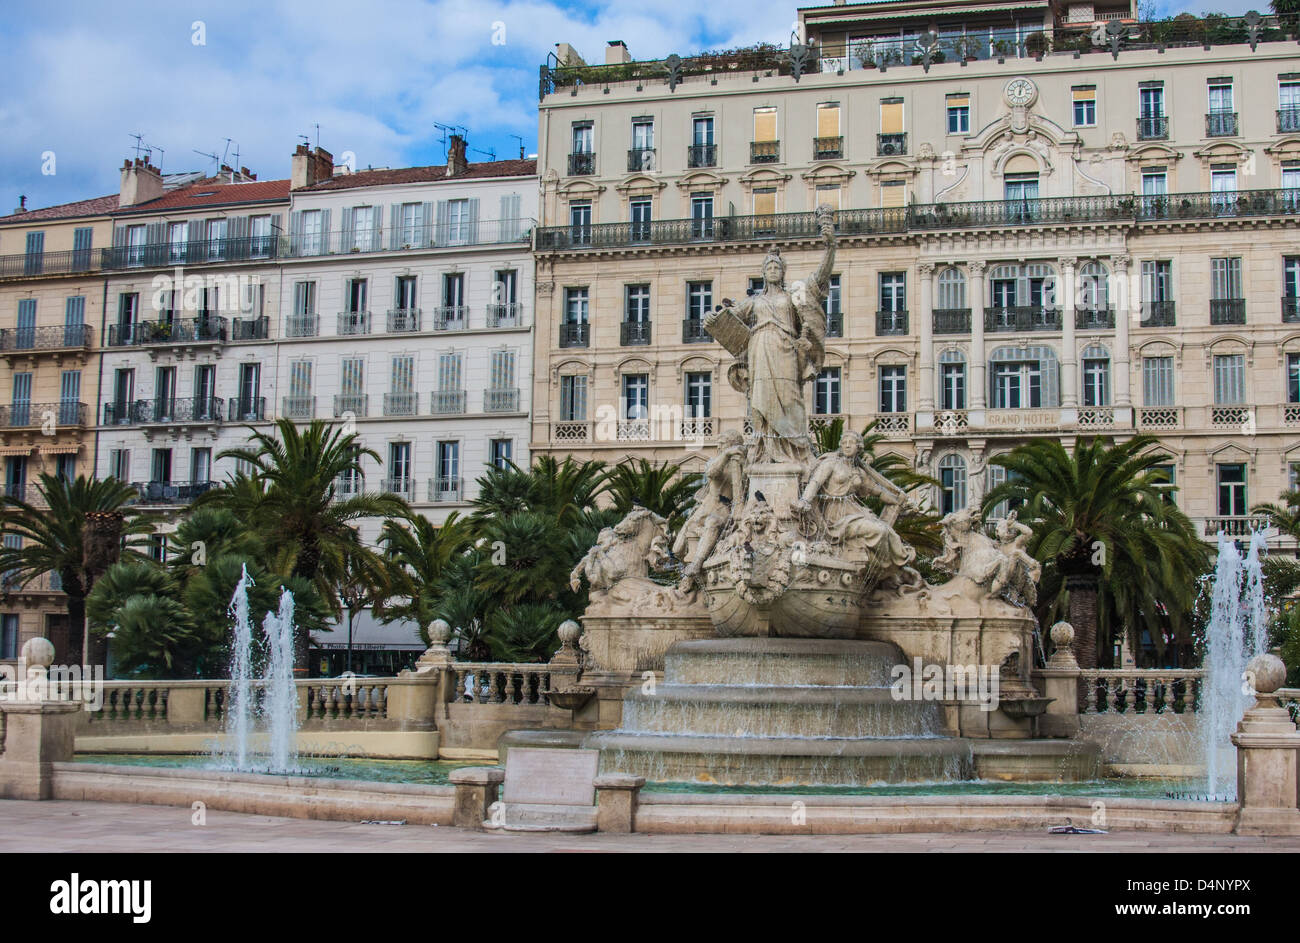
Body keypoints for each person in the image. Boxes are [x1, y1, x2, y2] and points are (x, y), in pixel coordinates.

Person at [793, 430, 913, 568]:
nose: (847, 446)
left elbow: (878, 492)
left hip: (853, 511)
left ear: (859, 447)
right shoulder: (830, 463)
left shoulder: (859, 471)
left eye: (851, 443)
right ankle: (889, 565)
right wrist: (804, 501)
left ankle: (896, 564)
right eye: (844, 443)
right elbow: (815, 483)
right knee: (879, 530)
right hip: (834, 517)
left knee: (887, 531)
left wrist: (899, 501)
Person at [674, 430, 746, 591]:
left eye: (723, 444)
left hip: (723, 509)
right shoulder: (715, 461)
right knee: (677, 548)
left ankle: (696, 566)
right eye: (719, 444)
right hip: (704, 508)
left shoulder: (741, 465)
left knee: (712, 522)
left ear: (734, 445)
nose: (719, 446)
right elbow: (712, 472)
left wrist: (741, 462)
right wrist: (726, 454)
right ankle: (684, 573)